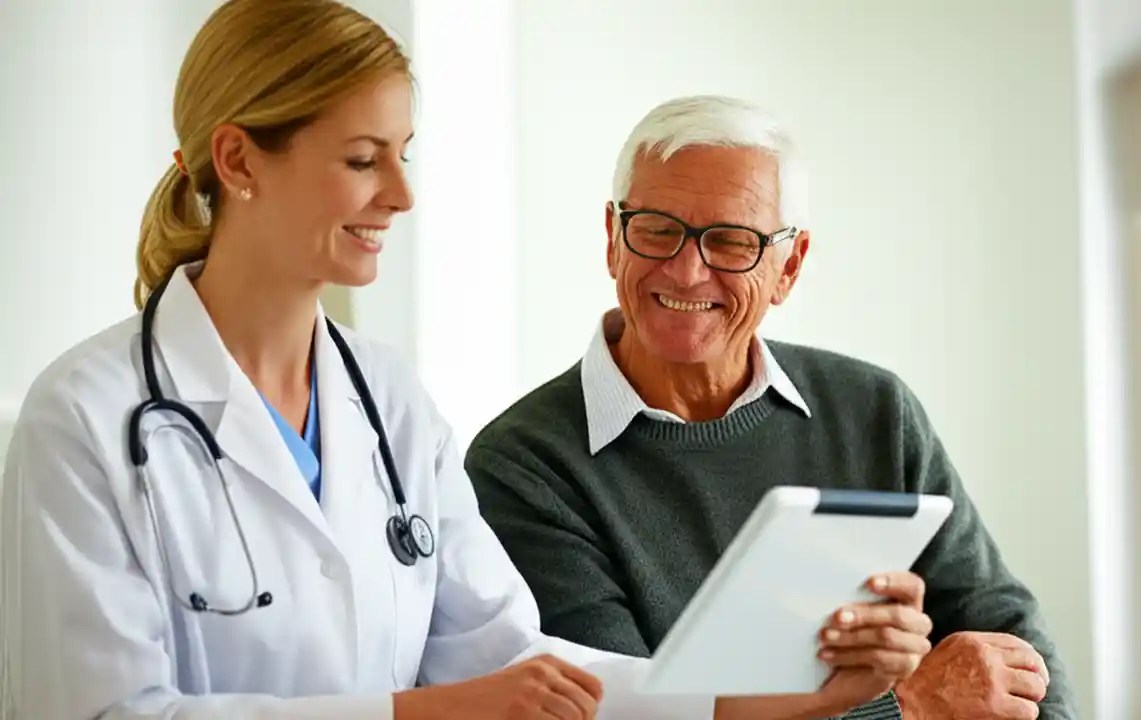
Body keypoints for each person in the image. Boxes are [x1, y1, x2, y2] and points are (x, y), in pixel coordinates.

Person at [0, 4, 933, 719]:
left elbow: (513, 662)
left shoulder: (388, 400)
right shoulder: (86, 418)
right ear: (239, 159)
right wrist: (417, 715)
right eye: (364, 160)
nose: (402, 194)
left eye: (404, 155)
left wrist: (778, 697)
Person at [465, 95, 1077, 720]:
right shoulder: (523, 466)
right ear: (613, 238)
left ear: (789, 266)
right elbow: (624, 715)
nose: (685, 270)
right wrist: (907, 710)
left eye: (731, 242)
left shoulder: (874, 412)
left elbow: (1018, 653)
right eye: (656, 229)